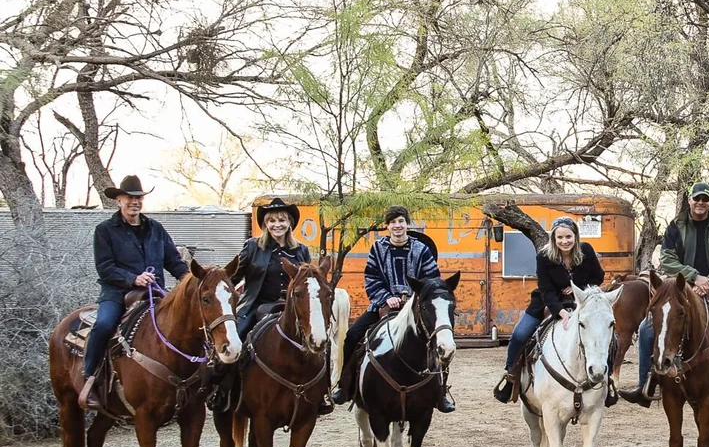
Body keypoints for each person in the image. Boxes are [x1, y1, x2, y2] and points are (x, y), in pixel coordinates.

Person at [619, 181, 709, 406]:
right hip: (679, 288)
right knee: (646, 329)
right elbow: (667, 260)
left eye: (705, 199)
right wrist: (694, 277)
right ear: (689, 200)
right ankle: (646, 383)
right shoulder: (675, 227)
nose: (700, 203)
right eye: (697, 198)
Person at [78, 175, 191, 410]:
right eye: (129, 198)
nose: (135, 202)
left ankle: (192, 381)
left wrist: (191, 279)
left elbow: (173, 261)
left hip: (155, 294)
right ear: (119, 200)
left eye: (138, 198)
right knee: (103, 325)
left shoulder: (156, 229)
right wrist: (133, 278)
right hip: (118, 293)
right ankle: (90, 378)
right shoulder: (105, 230)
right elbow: (105, 267)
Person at [330, 205, 454, 412]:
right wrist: (386, 298)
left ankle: (440, 392)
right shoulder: (378, 249)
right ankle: (346, 385)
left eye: (401, 221)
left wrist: (414, 298)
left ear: (407, 223)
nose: (397, 226)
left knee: (437, 340)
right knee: (352, 336)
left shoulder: (421, 249)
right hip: (383, 305)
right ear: (387, 226)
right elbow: (371, 277)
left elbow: (432, 281)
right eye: (393, 222)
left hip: (414, 307)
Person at [207, 198, 325, 414]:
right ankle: (221, 390)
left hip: (292, 309)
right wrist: (223, 295)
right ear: (265, 225)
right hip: (257, 306)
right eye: (271, 221)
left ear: (289, 223)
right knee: (234, 344)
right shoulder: (253, 247)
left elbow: (308, 283)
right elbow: (233, 277)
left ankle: (320, 394)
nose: (276, 225)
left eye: (281, 220)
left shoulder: (300, 250)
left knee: (317, 342)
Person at [493, 217, 607, 404]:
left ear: (575, 236)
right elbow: (545, 289)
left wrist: (579, 287)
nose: (564, 241)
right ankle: (511, 375)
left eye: (568, 236)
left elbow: (598, 276)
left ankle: (607, 381)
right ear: (553, 238)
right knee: (519, 335)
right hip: (548, 301)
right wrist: (561, 312)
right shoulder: (544, 257)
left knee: (606, 333)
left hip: (581, 301)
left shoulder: (586, 250)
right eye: (559, 237)